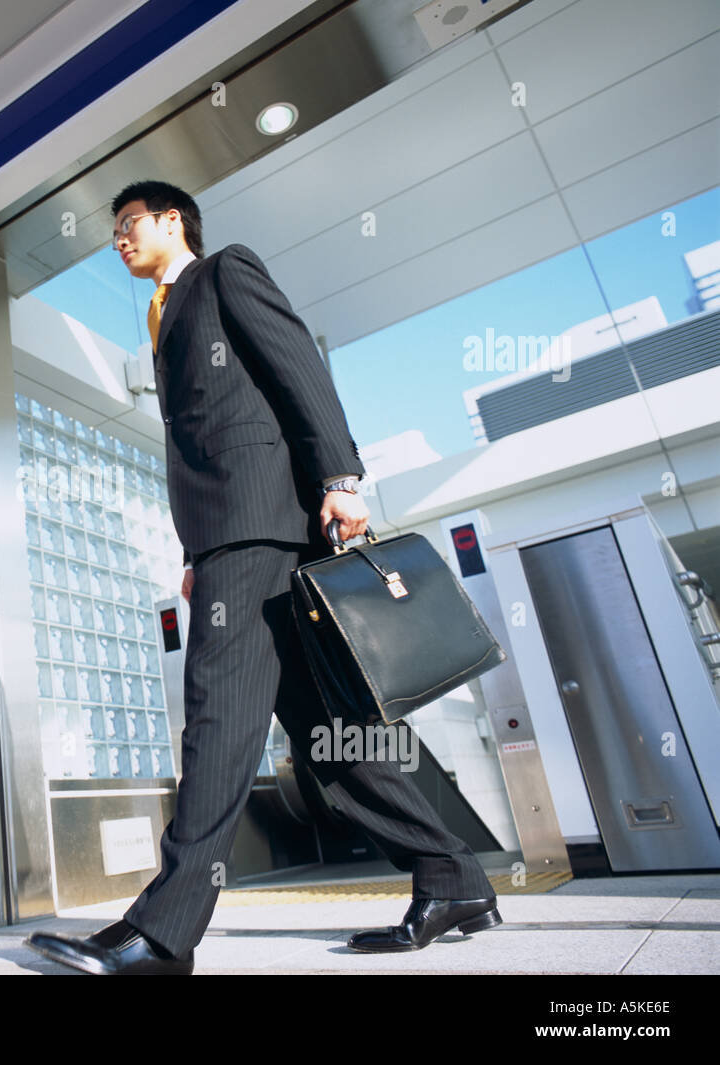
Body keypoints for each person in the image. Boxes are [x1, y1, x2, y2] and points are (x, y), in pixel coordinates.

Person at [25, 181, 500, 975]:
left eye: (128, 223)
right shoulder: (161, 319)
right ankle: (451, 875)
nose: (118, 238)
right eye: (114, 230)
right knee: (324, 731)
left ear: (171, 221)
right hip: (230, 538)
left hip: (259, 529)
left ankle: (164, 931)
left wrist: (340, 477)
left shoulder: (224, 272)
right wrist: (195, 555)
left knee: (216, 718)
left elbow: (297, 366)